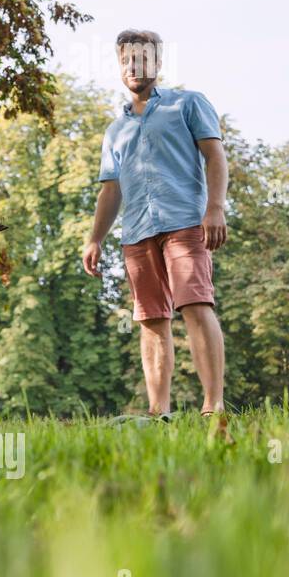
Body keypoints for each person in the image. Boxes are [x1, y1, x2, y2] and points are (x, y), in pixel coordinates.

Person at [82, 28, 228, 419]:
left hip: (184, 223)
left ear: (158, 64)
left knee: (196, 305)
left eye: (143, 59)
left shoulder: (188, 104)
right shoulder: (116, 130)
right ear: (119, 66)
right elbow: (110, 191)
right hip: (136, 232)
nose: (135, 66)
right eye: (127, 60)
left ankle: (213, 405)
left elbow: (215, 156)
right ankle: (157, 411)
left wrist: (215, 207)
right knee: (150, 320)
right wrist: (95, 238)